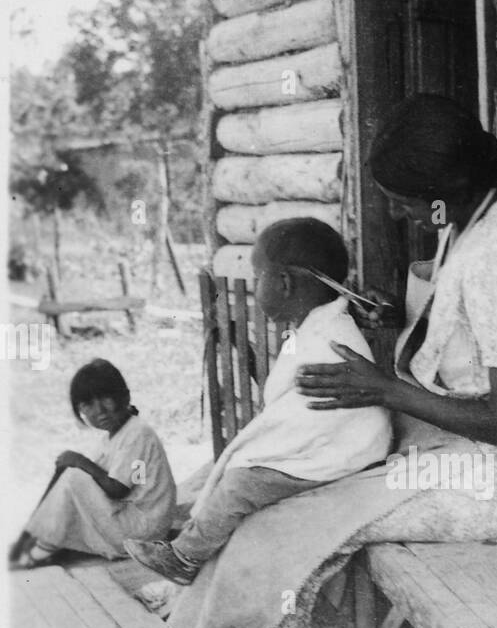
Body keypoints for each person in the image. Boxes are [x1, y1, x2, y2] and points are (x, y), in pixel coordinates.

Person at [157, 93, 497, 628]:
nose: (405, 217)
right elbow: (461, 349)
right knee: (277, 513)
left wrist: (382, 386)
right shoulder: (473, 224)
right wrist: (395, 333)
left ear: (441, 193)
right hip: (435, 455)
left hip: (481, 480)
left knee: (271, 533)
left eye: (409, 204)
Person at [125, 219, 392, 585]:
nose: (255, 286)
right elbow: (291, 406)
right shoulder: (318, 327)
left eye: (257, 276)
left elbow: (314, 420)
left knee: (240, 484)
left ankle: (185, 558)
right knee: (238, 473)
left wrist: (255, 453)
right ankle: (190, 540)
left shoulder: (327, 340)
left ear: (283, 283)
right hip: (338, 448)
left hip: (341, 455)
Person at [10, 359, 176, 567]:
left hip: (143, 529)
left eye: (105, 398)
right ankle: (41, 539)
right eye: (88, 405)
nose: (99, 411)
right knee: (72, 474)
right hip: (132, 519)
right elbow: (126, 479)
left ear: (124, 396)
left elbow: (119, 489)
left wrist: (80, 462)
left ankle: (44, 548)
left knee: (74, 477)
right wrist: (74, 463)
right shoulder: (113, 437)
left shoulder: (138, 433)